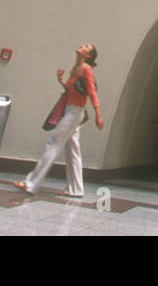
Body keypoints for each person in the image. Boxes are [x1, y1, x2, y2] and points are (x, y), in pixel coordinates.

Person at [13, 44, 103, 199]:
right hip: (70, 110)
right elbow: (71, 90)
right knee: (73, 151)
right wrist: (61, 80)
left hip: (75, 112)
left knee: (53, 142)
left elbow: (91, 92)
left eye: (86, 46)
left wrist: (98, 114)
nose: (82, 45)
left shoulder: (87, 69)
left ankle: (31, 183)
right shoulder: (76, 67)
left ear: (89, 55)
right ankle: (75, 189)